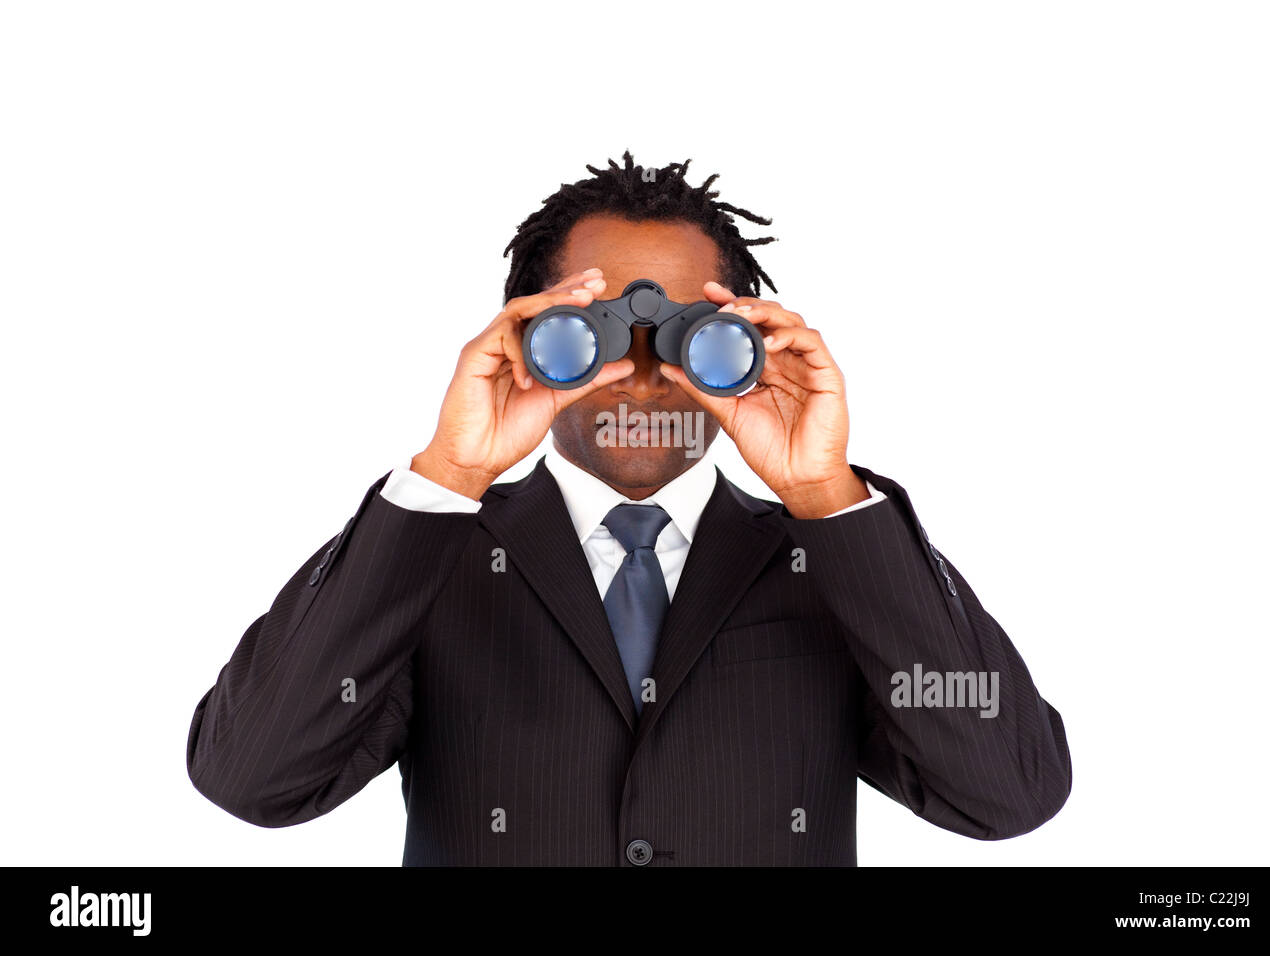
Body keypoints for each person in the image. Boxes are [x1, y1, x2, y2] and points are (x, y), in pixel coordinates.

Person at [187, 151, 1071, 866]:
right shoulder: (439, 557)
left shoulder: (826, 569)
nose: (644, 379)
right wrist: (445, 476)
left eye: (691, 341)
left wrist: (827, 496)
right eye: (592, 336)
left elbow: (1009, 790)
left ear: (751, 346)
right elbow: (251, 776)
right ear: (524, 341)